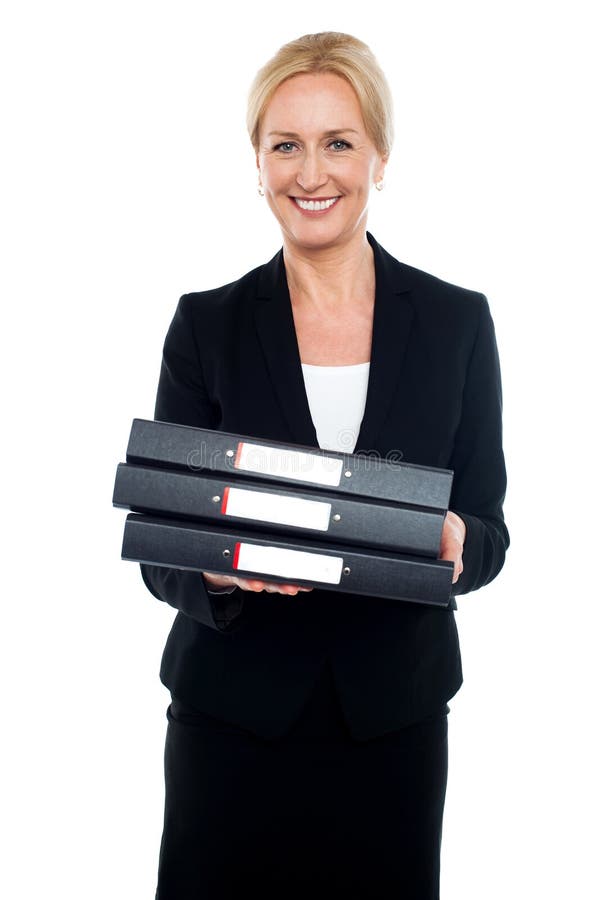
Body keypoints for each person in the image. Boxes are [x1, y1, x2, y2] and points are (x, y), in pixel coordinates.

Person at [139, 31, 509, 899]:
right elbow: (162, 543)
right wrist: (226, 573)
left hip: (393, 723)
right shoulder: (207, 325)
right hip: (230, 723)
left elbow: (490, 528)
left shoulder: (457, 323)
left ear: (380, 156)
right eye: (286, 145)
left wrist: (458, 540)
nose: (312, 173)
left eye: (338, 142)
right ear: (257, 161)